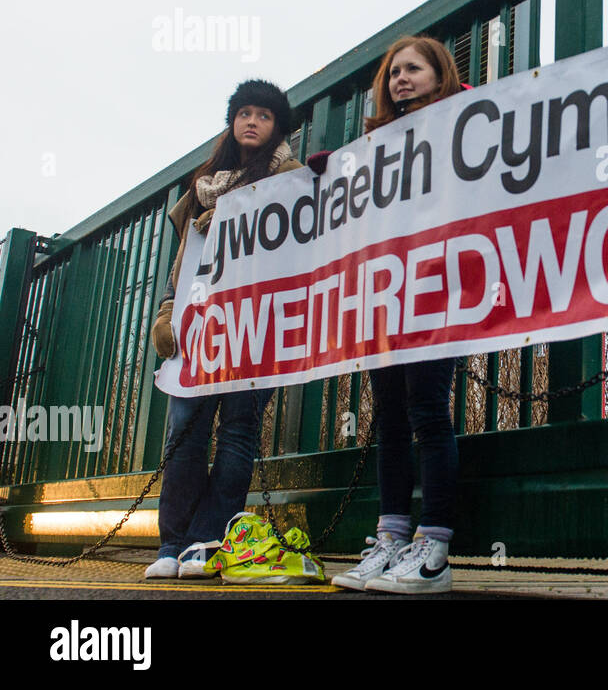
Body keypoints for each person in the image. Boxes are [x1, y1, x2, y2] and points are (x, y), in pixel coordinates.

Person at [145, 80, 302, 579]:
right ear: (232, 123)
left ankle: (206, 541)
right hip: (200, 324)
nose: (251, 121)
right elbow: (183, 264)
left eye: (264, 115)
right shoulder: (204, 184)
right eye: (243, 113)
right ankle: (171, 545)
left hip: (257, 324)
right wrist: (169, 312)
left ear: (278, 127)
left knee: (237, 432)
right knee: (184, 433)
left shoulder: (293, 177)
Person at [329, 36, 463, 595]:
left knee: (427, 409)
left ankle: (434, 548)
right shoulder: (373, 146)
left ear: (440, 74)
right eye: (392, 73)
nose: (400, 79)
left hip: (437, 288)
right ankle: (390, 539)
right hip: (385, 293)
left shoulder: (467, 117)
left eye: (413, 68)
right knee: (387, 416)